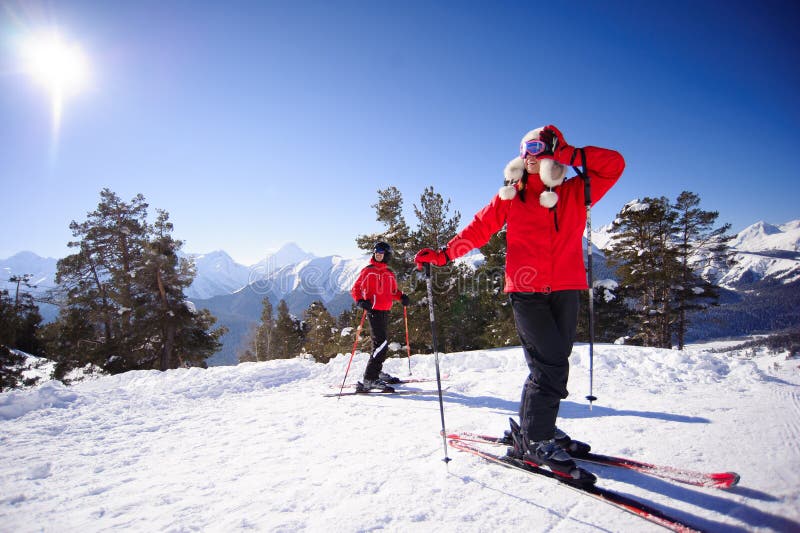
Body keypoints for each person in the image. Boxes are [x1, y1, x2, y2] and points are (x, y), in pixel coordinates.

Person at [414, 125, 624, 484]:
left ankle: (537, 427)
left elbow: (614, 165)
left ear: (553, 151)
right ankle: (536, 440)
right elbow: (479, 228)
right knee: (550, 364)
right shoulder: (513, 196)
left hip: (567, 287)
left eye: (538, 149)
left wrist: (570, 154)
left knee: (555, 361)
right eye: (525, 150)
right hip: (525, 290)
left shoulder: (575, 191)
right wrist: (446, 255)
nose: (530, 156)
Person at [351, 241, 411, 392]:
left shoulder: (389, 273)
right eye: (376, 251)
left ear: (387, 255)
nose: (378, 253)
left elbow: (393, 291)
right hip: (374, 310)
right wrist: (360, 301)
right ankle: (370, 378)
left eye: (381, 252)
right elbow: (355, 288)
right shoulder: (368, 271)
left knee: (379, 343)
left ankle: (377, 372)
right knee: (381, 344)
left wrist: (402, 297)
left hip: (385, 310)